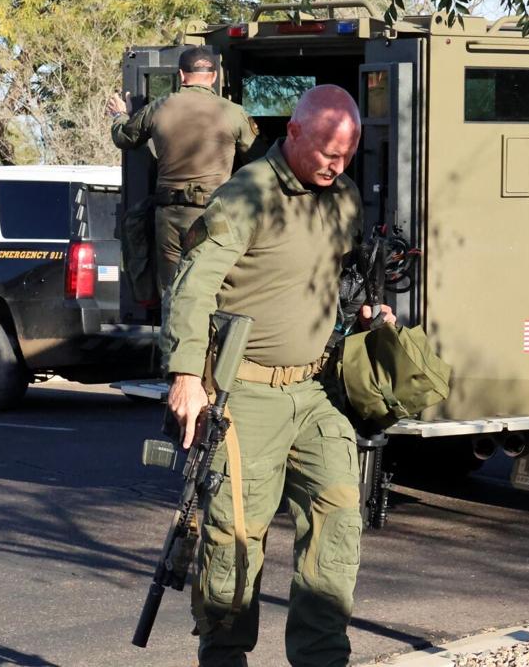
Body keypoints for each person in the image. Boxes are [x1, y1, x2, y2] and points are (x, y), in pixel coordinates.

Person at [160, 85, 394, 667]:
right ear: (292, 133)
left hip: (316, 391)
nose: (336, 166)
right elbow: (193, 287)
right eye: (326, 152)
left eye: (347, 155)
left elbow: (329, 281)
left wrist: (361, 315)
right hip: (248, 395)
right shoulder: (245, 198)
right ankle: (225, 654)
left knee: (339, 520)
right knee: (233, 541)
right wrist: (188, 374)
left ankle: (321, 657)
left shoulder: (343, 198)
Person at [108, 47, 258, 294]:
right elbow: (258, 159)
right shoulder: (234, 113)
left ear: (181, 75)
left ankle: (172, 330)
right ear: (214, 76)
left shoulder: (158, 108)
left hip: (169, 216)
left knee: (172, 292)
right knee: (207, 288)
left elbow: (125, 137)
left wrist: (119, 116)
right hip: (213, 215)